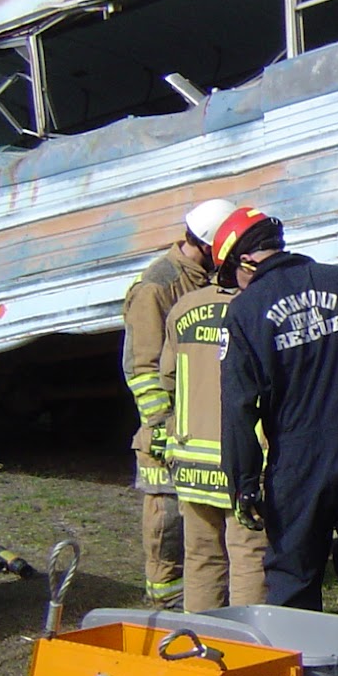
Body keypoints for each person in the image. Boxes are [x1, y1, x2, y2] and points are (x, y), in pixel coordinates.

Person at [214, 205, 338, 623]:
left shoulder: (246, 311)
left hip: (297, 461)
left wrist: (244, 483)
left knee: (294, 578)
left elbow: (238, 407)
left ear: (246, 262)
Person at [121, 197, 236, 609]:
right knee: (167, 518)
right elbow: (143, 368)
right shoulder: (158, 286)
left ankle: (205, 595)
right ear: (207, 244)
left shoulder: (206, 277)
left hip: (202, 422)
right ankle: (165, 600)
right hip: (169, 429)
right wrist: (162, 426)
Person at [159, 277, 267, 611]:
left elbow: (167, 376)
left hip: (191, 461)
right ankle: (247, 648)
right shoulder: (258, 307)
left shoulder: (185, 307)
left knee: (201, 557)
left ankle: (199, 643)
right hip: (243, 461)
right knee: (249, 555)